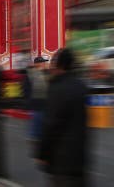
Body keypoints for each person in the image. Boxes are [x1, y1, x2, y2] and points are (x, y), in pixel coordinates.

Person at [37, 48, 89, 187]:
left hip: (61, 159)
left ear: (59, 65)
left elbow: (50, 125)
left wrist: (43, 154)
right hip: (80, 157)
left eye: (53, 63)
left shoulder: (57, 88)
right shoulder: (81, 86)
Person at [24, 56, 49, 146]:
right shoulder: (33, 74)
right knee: (37, 120)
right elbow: (27, 89)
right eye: (42, 62)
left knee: (39, 120)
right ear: (37, 64)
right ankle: (35, 137)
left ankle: (36, 137)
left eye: (44, 62)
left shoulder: (43, 73)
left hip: (42, 102)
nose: (44, 64)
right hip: (37, 102)